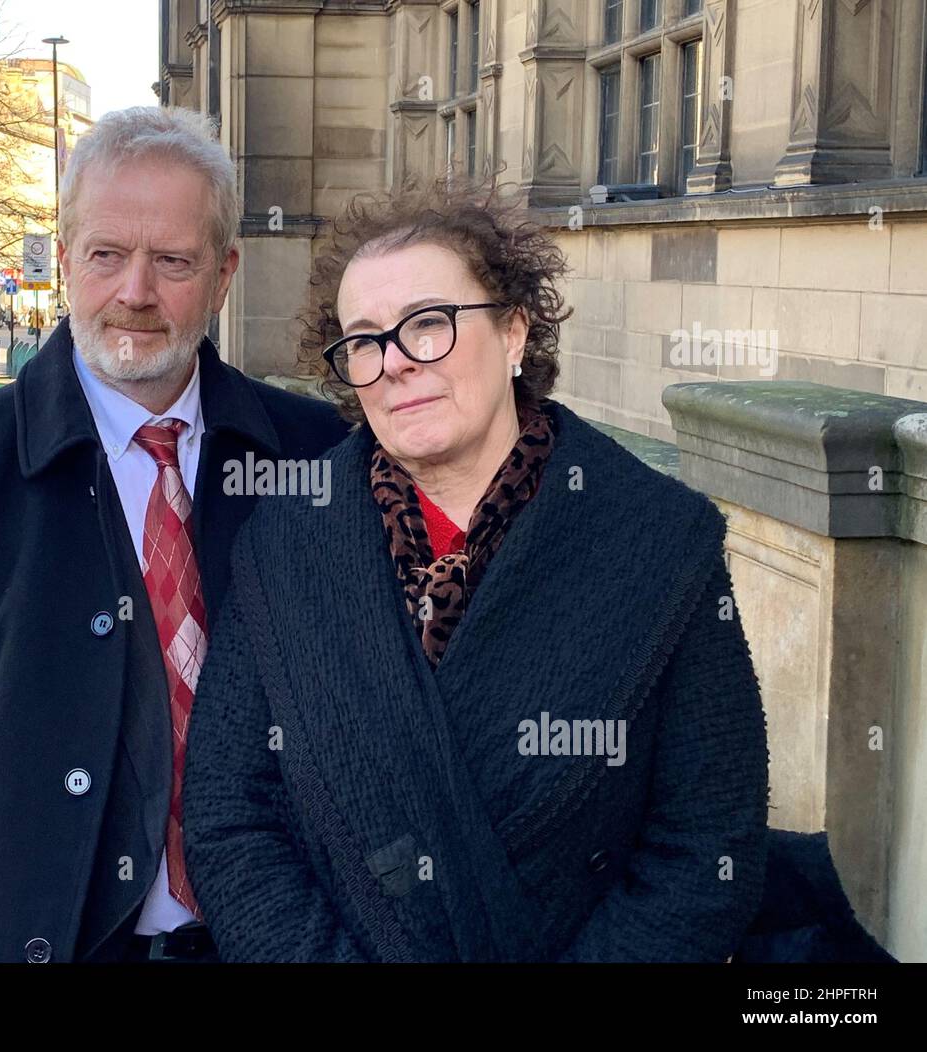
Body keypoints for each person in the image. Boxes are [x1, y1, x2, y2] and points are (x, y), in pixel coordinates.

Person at [181, 179, 892, 965]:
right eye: (364, 341)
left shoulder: (656, 539)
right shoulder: (283, 544)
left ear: (516, 331)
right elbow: (230, 817)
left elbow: (705, 844)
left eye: (429, 326)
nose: (393, 364)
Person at [0, 105, 347, 963]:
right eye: (106, 255)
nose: (135, 293)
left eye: (172, 261)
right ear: (64, 260)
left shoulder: (316, 456)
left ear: (223, 273)